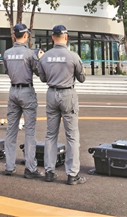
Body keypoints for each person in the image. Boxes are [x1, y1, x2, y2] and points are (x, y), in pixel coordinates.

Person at [37, 24, 86, 185]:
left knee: (50, 135)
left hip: (51, 94)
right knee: (72, 136)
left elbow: (42, 78)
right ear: (66, 37)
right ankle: (72, 174)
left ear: (53, 37)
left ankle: (49, 171)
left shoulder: (44, 57)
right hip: (68, 95)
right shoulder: (73, 56)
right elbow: (82, 78)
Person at [2, 23, 43, 179]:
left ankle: (9, 166)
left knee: (11, 130)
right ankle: (30, 167)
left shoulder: (6, 53)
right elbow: (39, 73)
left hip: (13, 91)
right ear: (25, 35)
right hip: (26, 90)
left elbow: (7, 71)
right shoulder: (29, 54)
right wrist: (40, 59)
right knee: (30, 131)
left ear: (14, 36)